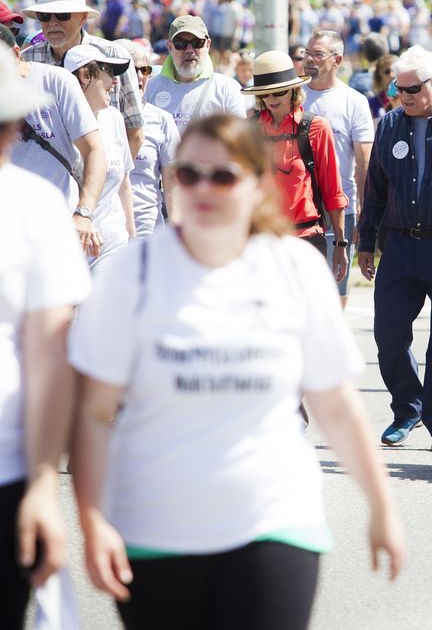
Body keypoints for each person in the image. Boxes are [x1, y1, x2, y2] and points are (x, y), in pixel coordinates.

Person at [68, 114, 404, 627]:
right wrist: (92, 521)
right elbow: (92, 413)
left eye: (222, 176)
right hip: (155, 529)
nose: (203, 189)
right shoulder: (131, 273)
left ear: (256, 183)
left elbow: (335, 405)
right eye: (188, 174)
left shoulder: (294, 268)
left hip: (275, 523)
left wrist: (381, 506)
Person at [0, 47, 91, 629]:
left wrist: (37, 484)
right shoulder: (35, 205)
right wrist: (41, 485)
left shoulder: (34, 205)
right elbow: (51, 358)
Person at [357, 46, 432, 447]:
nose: (403, 96)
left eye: (412, 89)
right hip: (400, 246)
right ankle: (406, 407)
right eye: (397, 88)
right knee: (388, 334)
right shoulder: (388, 125)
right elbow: (375, 191)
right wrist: (365, 243)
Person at [1, 25, 107, 260]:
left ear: (17, 54)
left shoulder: (55, 81)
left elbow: (94, 150)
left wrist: (84, 213)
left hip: (59, 224)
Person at [243, 51, 349, 280]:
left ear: (293, 89)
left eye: (279, 91)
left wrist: (340, 244)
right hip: (262, 242)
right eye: (265, 93)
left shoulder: (317, 127)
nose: (271, 98)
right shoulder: (248, 130)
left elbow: (333, 191)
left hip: (307, 240)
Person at [21, 0, 146, 158]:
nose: (52, 23)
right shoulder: (28, 59)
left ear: (83, 18)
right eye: (45, 16)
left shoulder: (115, 55)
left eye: (62, 15)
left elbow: (135, 132)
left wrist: (108, 179)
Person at [302, 31, 375, 307]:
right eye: (307, 53)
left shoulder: (353, 101)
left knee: (335, 290)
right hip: (299, 208)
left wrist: (364, 209)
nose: (309, 59)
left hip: (339, 209)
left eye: (317, 54)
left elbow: (363, 160)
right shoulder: (293, 96)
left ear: (337, 60)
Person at [66, 44, 136, 271]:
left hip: (114, 245)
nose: (114, 81)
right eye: (107, 71)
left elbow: (124, 186)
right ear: (85, 76)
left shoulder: (114, 118)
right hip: (70, 250)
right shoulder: (58, 124)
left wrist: (132, 240)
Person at [116, 39, 180, 239]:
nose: (139, 76)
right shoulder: (99, 116)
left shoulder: (162, 120)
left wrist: (177, 232)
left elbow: (173, 184)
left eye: (145, 70)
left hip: (148, 230)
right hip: (108, 229)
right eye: (131, 69)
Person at [144, 15, 247, 134]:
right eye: (180, 43)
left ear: (208, 45)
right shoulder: (150, 88)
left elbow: (239, 141)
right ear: (170, 47)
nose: (189, 50)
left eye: (197, 43)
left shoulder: (228, 88)